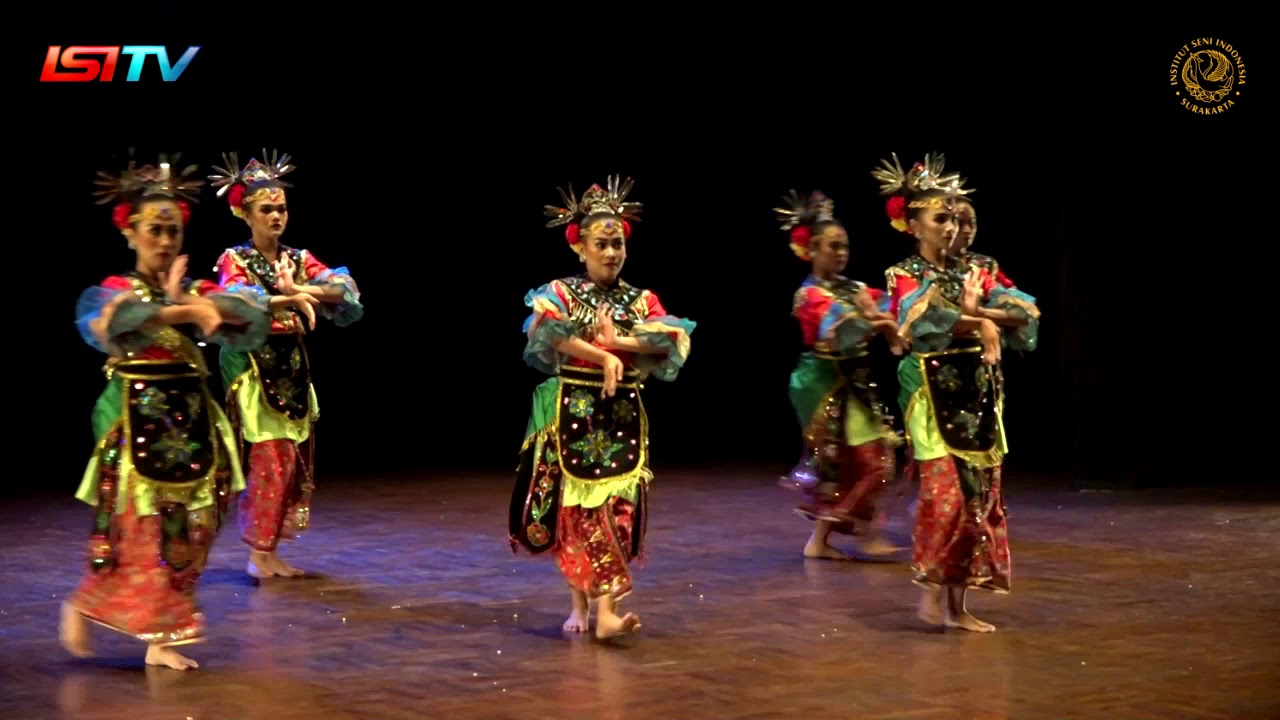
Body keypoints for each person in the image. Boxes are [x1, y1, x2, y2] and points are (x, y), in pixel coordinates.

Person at [61, 155, 270, 669]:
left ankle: (162, 636)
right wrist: (183, 310)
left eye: (172, 230)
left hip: (196, 426)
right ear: (130, 233)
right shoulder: (114, 291)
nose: (164, 241)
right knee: (136, 530)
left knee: (193, 530)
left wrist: (198, 303)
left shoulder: (196, 288)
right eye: (154, 230)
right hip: (137, 428)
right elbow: (114, 325)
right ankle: (85, 604)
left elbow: (249, 314)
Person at [509, 176, 695, 640]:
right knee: (576, 513)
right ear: (580, 248)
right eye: (601, 244)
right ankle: (580, 606)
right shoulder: (562, 292)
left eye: (617, 244)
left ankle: (607, 610)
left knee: (618, 510)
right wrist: (604, 354)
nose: (610, 253)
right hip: (574, 411)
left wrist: (621, 341)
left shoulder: (640, 299)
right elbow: (545, 331)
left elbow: (671, 340)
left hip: (623, 416)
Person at [875, 152, 1040, 632]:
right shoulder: (904, 273)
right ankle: (934, 588)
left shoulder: (982, 268)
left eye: (956, 218)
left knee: (979, 499)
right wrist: (978, 323)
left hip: (980, 396)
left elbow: (1025, 314)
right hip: (932, 395)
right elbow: (919, 323)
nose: (951, 227)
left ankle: (957, 603)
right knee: (946, 496)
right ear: (913, 224)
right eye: (940, 218)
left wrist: (980, 318)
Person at [208, 150, 364, 579]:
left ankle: (270, 548)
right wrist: (290, 298)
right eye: (266, 210)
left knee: (290, 460)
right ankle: (257, 553)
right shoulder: (234, 260)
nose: (276, 216)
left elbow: (343, 288)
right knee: (270, 459)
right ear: (244, 213)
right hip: (253, 368)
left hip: (292, 367)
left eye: (281, 208)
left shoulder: (297, 258)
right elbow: (237, 302)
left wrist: (304, 289)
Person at [776, 190, 904, 560]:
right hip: (823, 381)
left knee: (854, 460)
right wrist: (876, 320)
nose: (841, 253)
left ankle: (821, 541)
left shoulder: (854, 288)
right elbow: (842, 325)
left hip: (854, 379)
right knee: (864, 459)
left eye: (845, 246)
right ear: (811, 249)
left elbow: (891, 306)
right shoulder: (809, 295)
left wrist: (887, 315)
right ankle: (864, 534)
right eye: (833, 246)